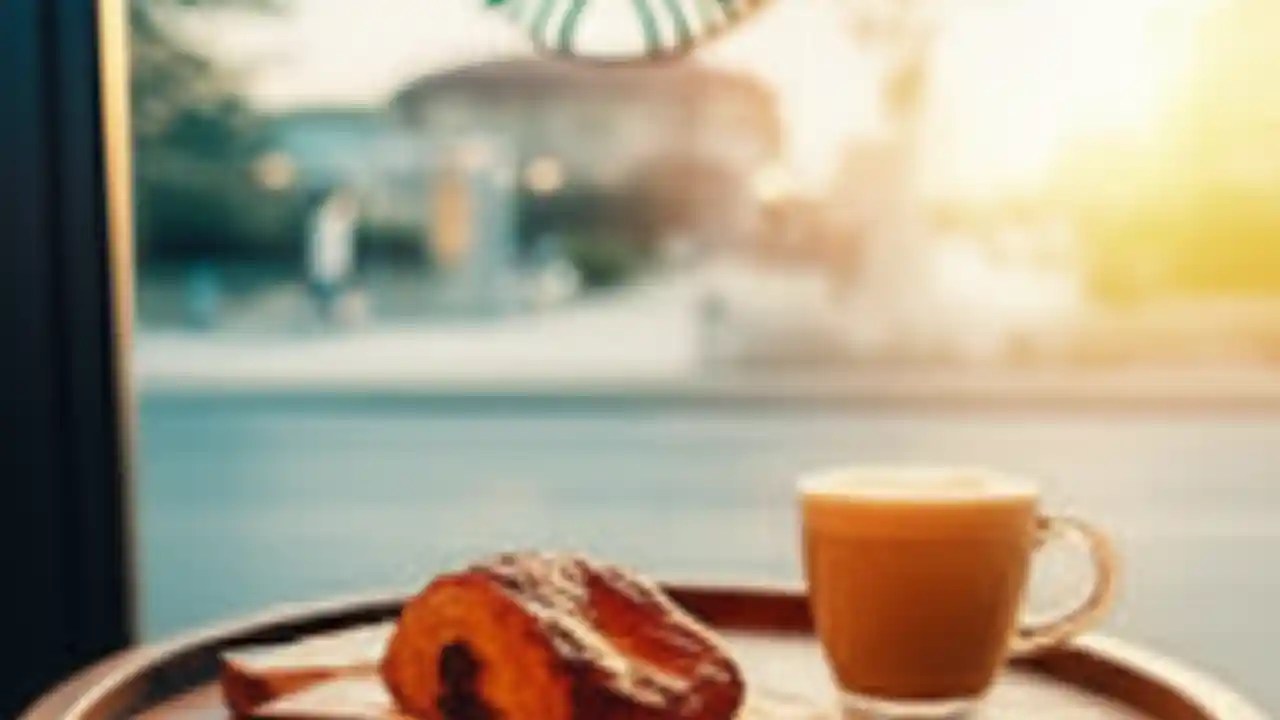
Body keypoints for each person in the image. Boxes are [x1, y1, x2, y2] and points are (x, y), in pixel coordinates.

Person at [305, 186, 359, 325]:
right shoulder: (327, 219)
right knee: (329, 291)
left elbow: (342, 245)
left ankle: (330, 315)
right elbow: (329, 246)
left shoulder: (330, 219)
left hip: (332, 266)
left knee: (332, 292)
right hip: (328, 266)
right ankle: (329, 315)